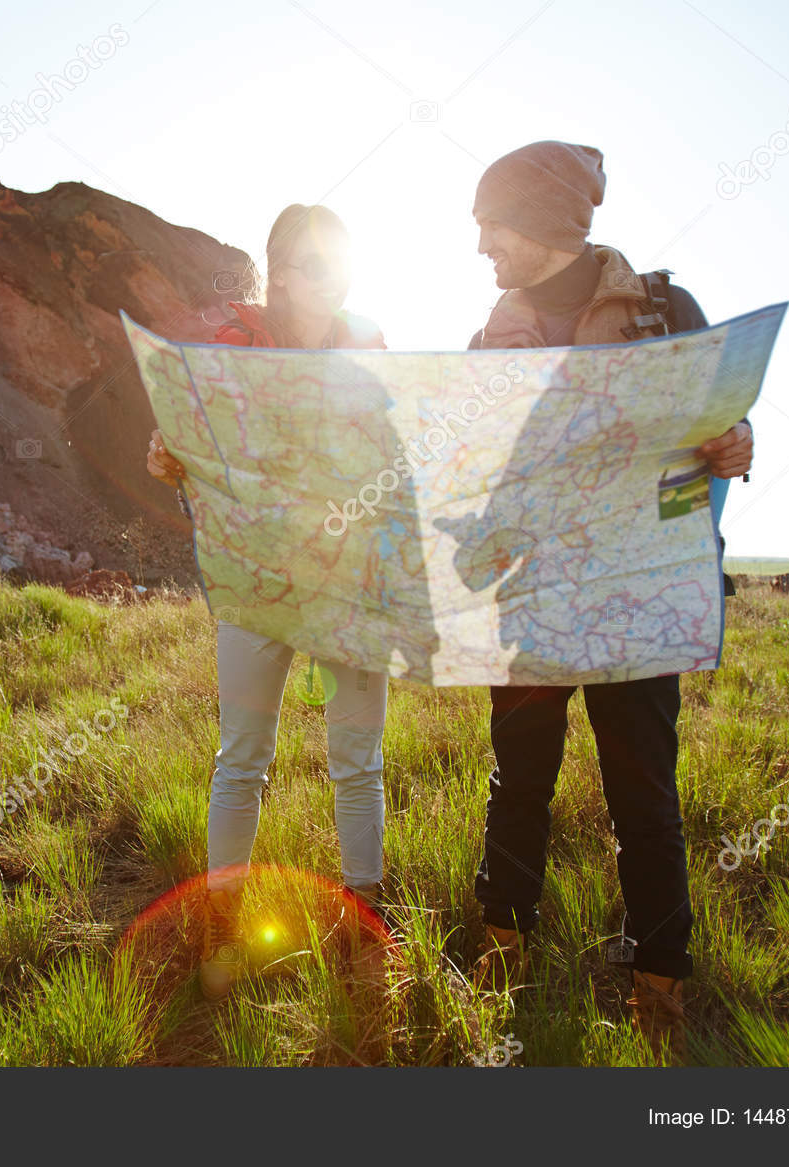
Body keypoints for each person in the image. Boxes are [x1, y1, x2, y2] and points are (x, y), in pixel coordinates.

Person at [462, 141, 754, 1062]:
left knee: (643, 792)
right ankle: (502, 950)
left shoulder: (667, 312)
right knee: (519, 777)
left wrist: (736, 439)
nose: (482, 248)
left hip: (638, 597)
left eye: (491, 225)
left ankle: (660, 985)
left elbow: (721, 425)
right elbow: (473, 469)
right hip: (533, 599)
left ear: (543, 224)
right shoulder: (488, 338)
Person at [145, 204, 391, 1001]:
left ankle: (366, 924)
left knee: (358, 760)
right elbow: (188, 441)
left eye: (343, 263)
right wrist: (167, 452)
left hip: (348, 582)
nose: (336, 280)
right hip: (255, 583)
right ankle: (222, 919)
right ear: (280, 273)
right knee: (242, 756)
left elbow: (393, 449)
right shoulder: (231, 344)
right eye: (318, 265)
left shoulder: (369, 344)